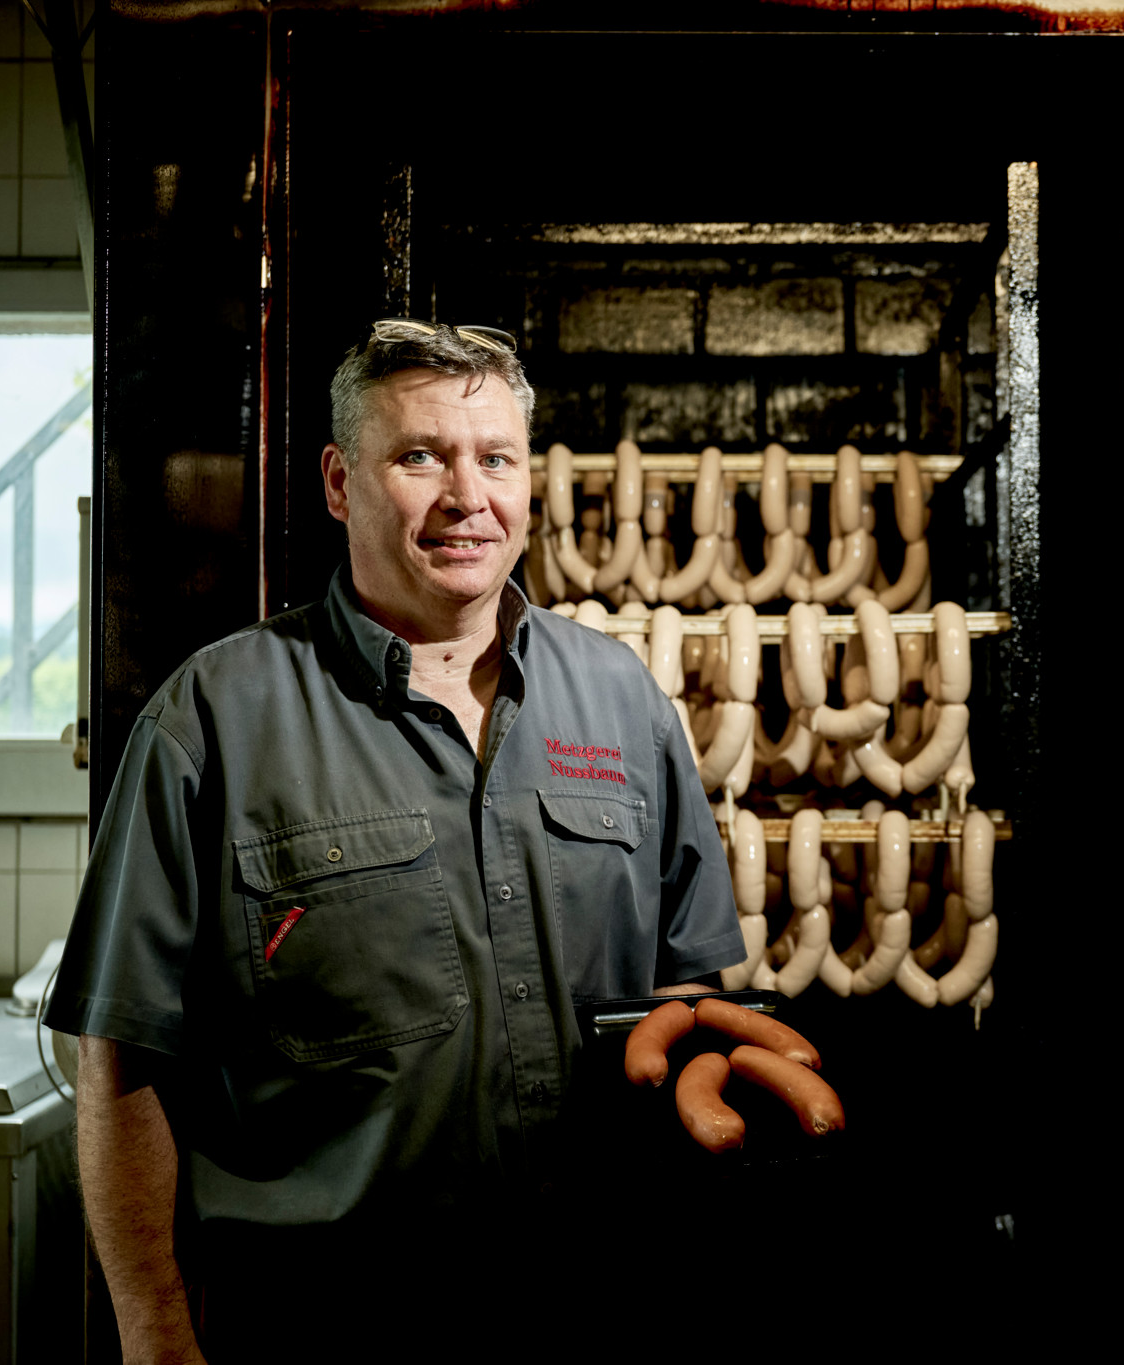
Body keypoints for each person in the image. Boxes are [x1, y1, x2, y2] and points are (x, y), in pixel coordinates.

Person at [45, 319, 744, 1360]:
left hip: (593, 1306)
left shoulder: (620, 700)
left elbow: (690, 995)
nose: (468, 498)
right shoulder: (214, 720)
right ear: (339, 482)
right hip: (320, 1321)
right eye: (419, 456)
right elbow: (119, 1057)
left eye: (494, 459)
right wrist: (154, 1339)